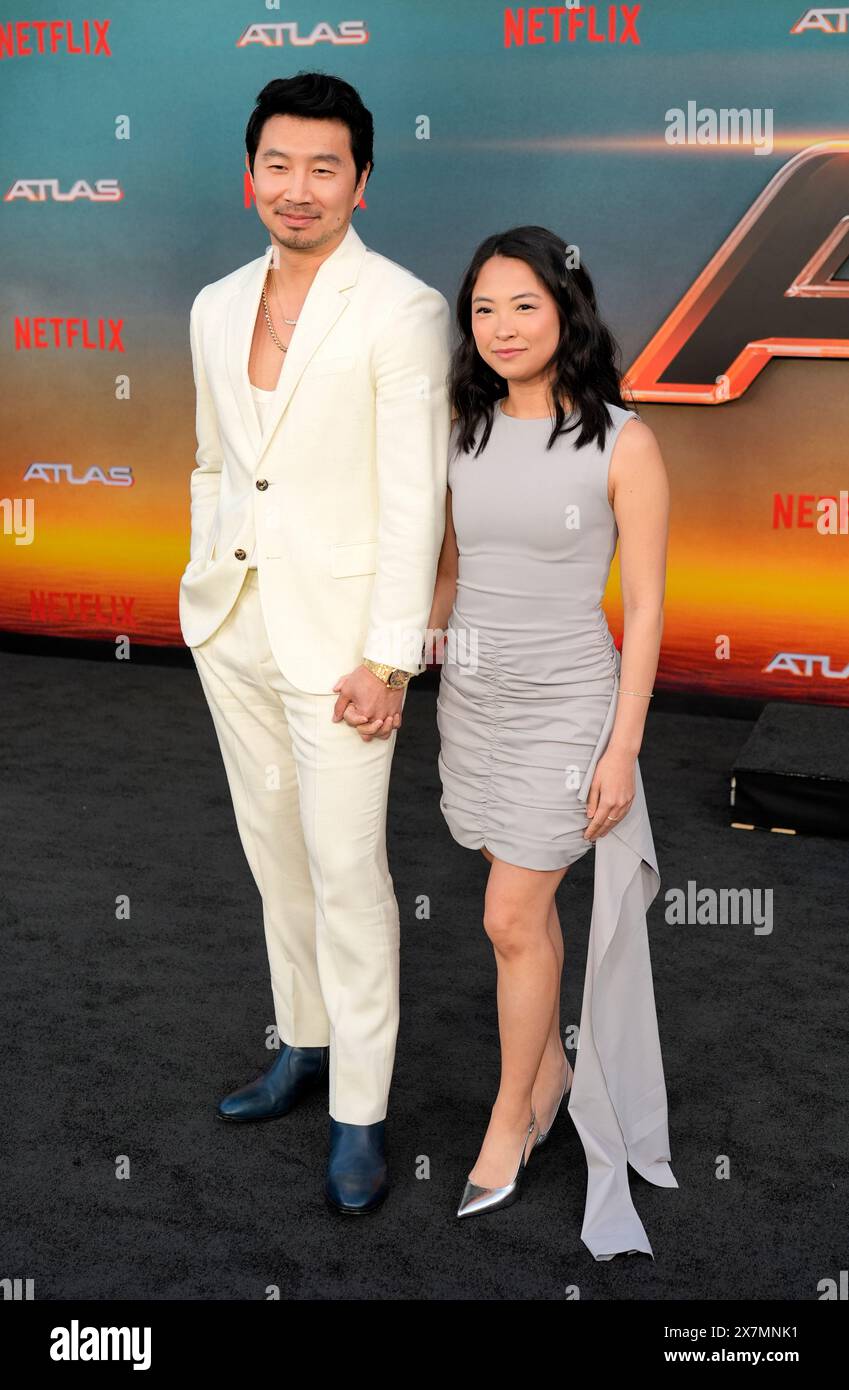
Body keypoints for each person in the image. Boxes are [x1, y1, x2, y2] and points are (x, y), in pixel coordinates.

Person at [178, 73, 451, 1214]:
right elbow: (213, 460)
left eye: (324, 167)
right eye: (279, 165)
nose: (299, 188)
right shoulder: (212, 302)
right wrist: (202, 580)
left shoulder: (404, 309)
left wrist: (391, 658)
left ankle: (362, 1113)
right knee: (275, 857)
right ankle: (302, 1042)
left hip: (346, 648)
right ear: (252, 177)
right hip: (234, 626)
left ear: (362, 183)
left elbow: (415, 500)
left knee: (350, 876)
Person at [429, 226, 677, 1259]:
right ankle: (553, 1070)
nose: (500, 328)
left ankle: (512, 1116)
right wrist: (404, 667)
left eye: (522, 305)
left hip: (570, 707)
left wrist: (622, 749)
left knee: (507, 913)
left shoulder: (624, 442)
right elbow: (447, 570)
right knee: (519, 920)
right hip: (473, 703)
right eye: (483, 309)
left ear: (567, 310)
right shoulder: (462, 428)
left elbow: (652, 611)